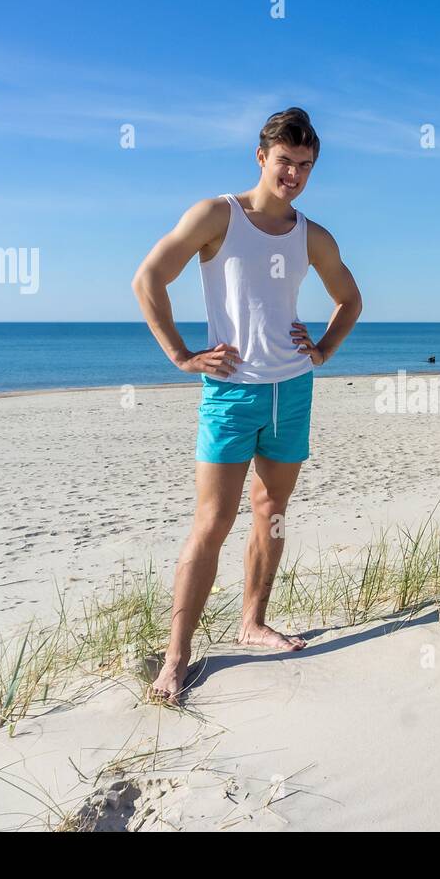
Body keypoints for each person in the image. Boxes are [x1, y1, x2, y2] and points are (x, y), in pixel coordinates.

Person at [131, 108, 363, 704]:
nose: (294, 175)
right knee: (213, 520)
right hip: (232, 389)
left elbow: (349, 298)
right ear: (261, 157)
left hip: (293, 389)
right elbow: (149, 279)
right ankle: (177, 656)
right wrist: (182, 355)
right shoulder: (217, 216)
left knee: (273, 510)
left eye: (306, 166)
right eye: (285, 161)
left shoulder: (313, 234)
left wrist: (326, 348)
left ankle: (252, 622)